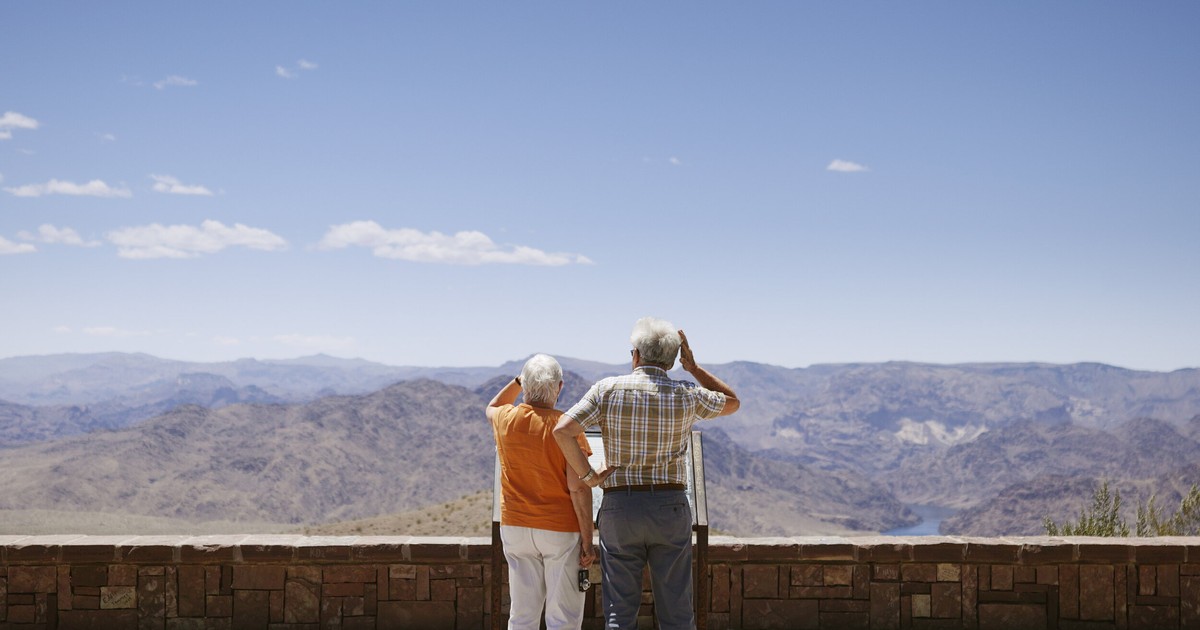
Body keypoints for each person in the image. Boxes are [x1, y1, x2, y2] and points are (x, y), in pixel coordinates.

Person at [553, 318, 739, 630]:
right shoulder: (687, 394)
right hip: (670, 506)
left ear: (636, 355)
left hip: (620, 507)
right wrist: (693, 368)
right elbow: (733, 403)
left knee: (619, 612)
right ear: (671, 360)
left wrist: (589, 477)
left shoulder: (607, 390)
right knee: (677, 612)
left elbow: (562, 430)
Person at [487, 354, 598, 630]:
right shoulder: (567, 428)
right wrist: (588, 539)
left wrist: (518, 380)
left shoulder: (505, 419)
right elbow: (578, 488)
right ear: (559, 388)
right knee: (563, 618)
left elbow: (493, 405)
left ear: (524, 385)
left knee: (522, 616)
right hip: (559, 529)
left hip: (515, 526)